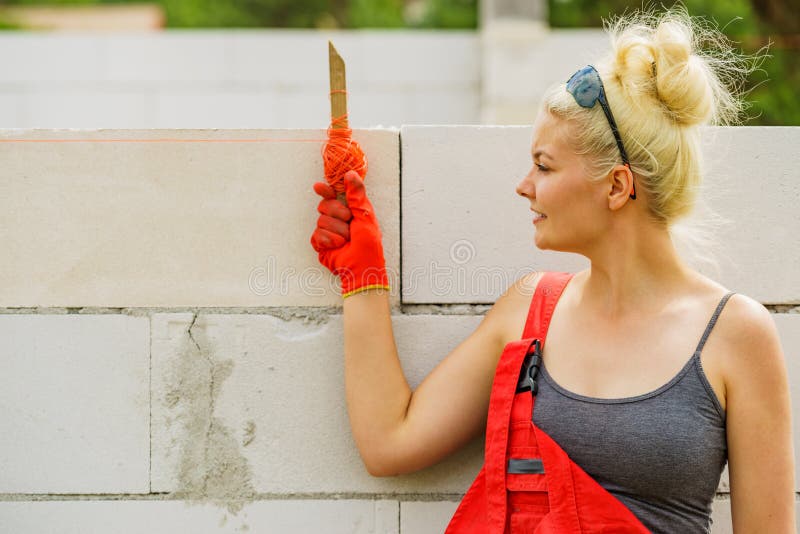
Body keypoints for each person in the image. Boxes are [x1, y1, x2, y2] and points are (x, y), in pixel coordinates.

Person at [310, 6, 795, 533]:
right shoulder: (529, 311)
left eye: (544, 165)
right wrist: (364, 274)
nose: (524, 185)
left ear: (615, 186)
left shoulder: (736, 334)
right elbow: (390, 442)